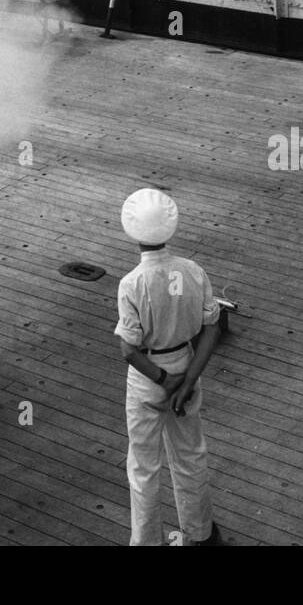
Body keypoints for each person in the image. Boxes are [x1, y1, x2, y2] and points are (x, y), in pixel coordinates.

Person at [115, 187, 223, 547]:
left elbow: (129, 350)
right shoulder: (193, 271)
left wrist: (165, 379)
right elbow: (211, 328)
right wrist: (187, 379)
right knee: (191, 454)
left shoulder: (132, 284)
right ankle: (200, 534)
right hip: (186, 364)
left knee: (143, 466)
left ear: (132, 232)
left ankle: (147, 542)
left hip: (150, 376)